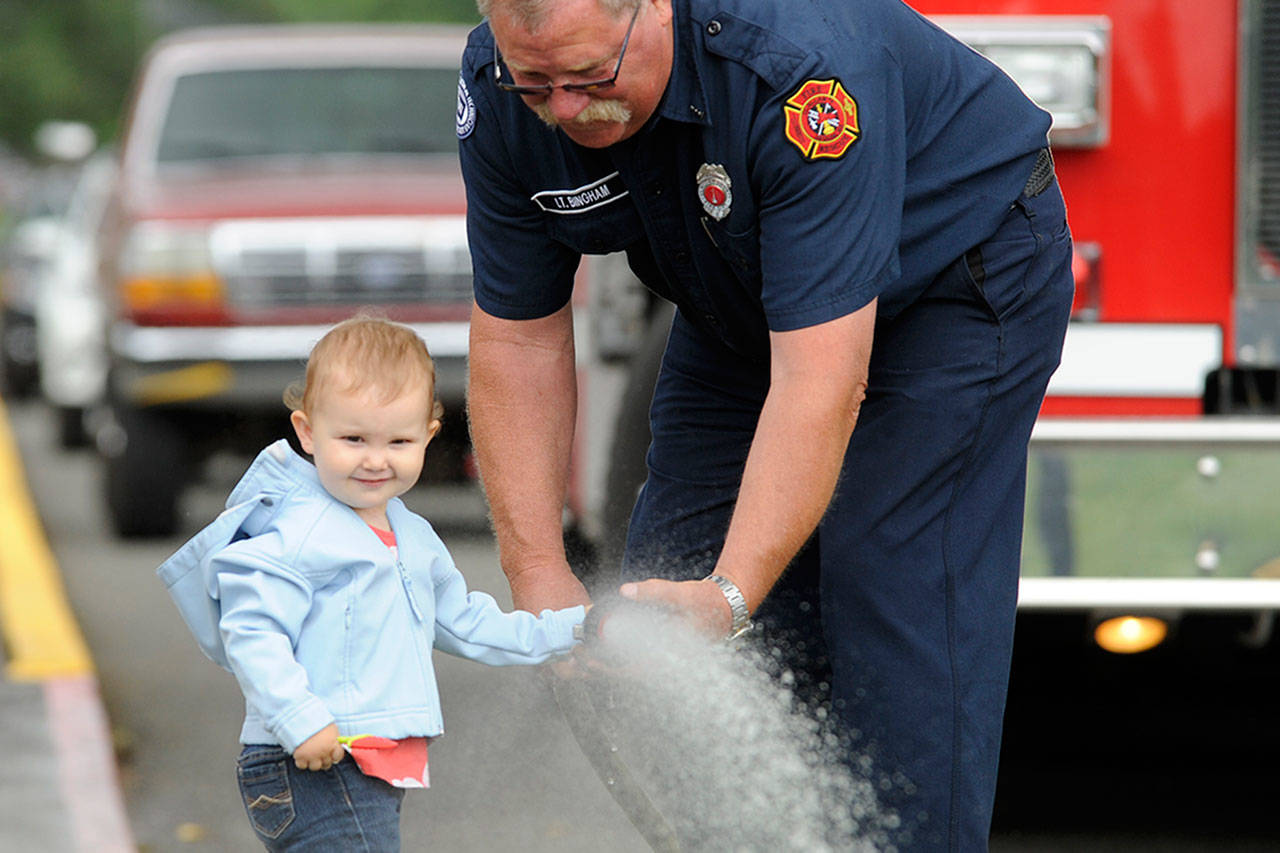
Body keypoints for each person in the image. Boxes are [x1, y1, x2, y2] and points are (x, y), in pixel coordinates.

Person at [457, 0, 1075, 848]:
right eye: (539, 88)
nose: (566, 110)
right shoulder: (496, 85)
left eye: (592, 78)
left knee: (891, 582)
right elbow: (518, 338)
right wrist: (537, 577)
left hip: (950, 284)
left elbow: (820, 377)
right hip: (741, 296)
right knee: (655, 600)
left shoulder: (801, 69)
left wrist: (733, 592)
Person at [157, 316, 586, 852]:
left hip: (367, 758)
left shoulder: (412, 534)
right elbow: (253, 630)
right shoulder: (298, 530)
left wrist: (572, 630)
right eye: (354, 438)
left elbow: (468, 624)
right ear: (308, 431)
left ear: (429, 435)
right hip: (315, 757)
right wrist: (299, 720)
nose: (376, 459)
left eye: (398, 441)